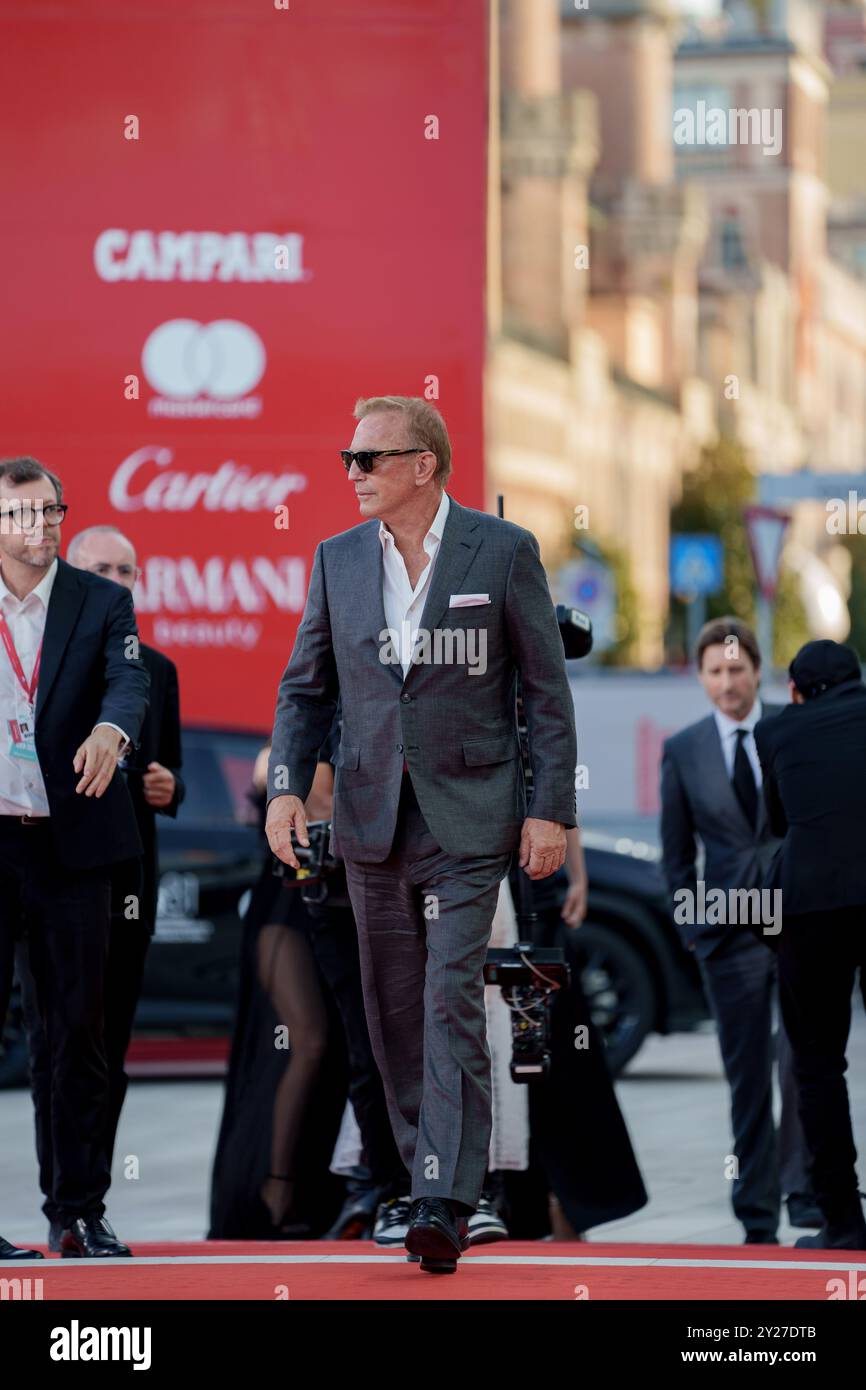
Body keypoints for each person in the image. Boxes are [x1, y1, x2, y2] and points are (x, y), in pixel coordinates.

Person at [266, 395, 577, 1273]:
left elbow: (547, 695)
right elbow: (305, 693)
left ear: (423, 466)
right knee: (391, 1012)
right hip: (368, 820)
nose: (353, 474)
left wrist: (551, 809)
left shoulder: (503, 550)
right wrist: (288, 793)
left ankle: (446, 1194)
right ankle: (424, 1175)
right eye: (349, 460)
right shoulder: (336, 561)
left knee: (448, 1001)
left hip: (471, 817)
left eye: (369, 459)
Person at [16, 524, 185, 1251]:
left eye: (126, 568)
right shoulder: (26, 648)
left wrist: (162, 783)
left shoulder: (151, 667)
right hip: (31, 859)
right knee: (49, 1041)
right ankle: (66, 1202)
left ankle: (83, 1205)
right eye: (99, 568)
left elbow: (166, 777)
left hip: (115, 873)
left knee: (96, 1041)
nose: (114, 580)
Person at [0, 458, 148, 1260]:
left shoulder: (102, 600)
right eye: (20, 514)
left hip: (71, 846)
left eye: (50, 510)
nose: (40, 526)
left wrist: (110, 729)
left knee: (77, 1036)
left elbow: (129, 683)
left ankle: (78, 1211)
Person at [659, 616, 815, 1244]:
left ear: (757, 669)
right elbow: (676, 858)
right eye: (716, 672)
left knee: (803, 1063)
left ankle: (805, 1195)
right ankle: (755, 1209)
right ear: (701, 678)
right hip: (727, 937)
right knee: (747, 1077)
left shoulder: (790, 728)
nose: (728, 682)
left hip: (800, 923)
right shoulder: (684, 749)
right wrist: (695, 933)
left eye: (738, 669)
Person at [754, 640, 866, 1251]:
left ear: (794, 691)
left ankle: (843, 1223)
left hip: (811, 907)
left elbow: (777, 822)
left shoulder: (776, 734)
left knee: (819, 1066)